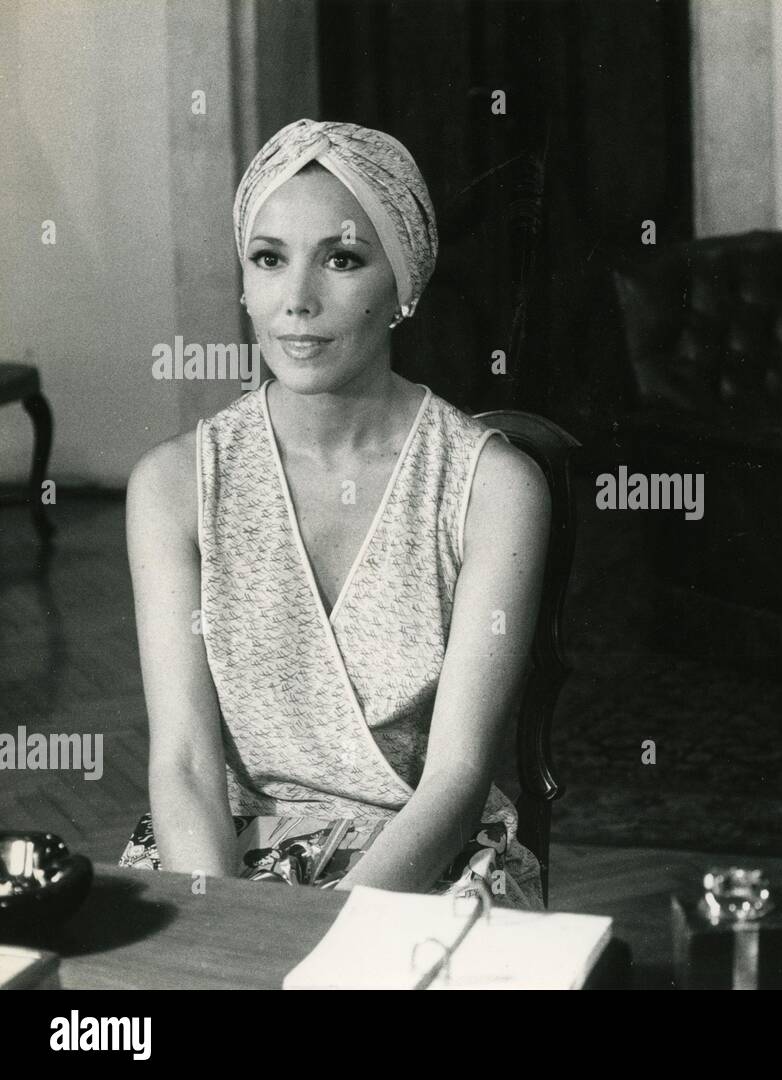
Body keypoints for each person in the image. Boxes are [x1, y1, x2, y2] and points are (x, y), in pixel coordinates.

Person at [119, 119, 548, 907]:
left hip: (426, 868)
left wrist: (327, 941)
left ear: (405, 285)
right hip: (216, 860)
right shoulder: (172, 485)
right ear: (244, 282)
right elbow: (182, 763)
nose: (298, 302)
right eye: (269, 259)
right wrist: (234, 934)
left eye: (343, 259)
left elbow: (456, 777)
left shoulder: (494, 489)